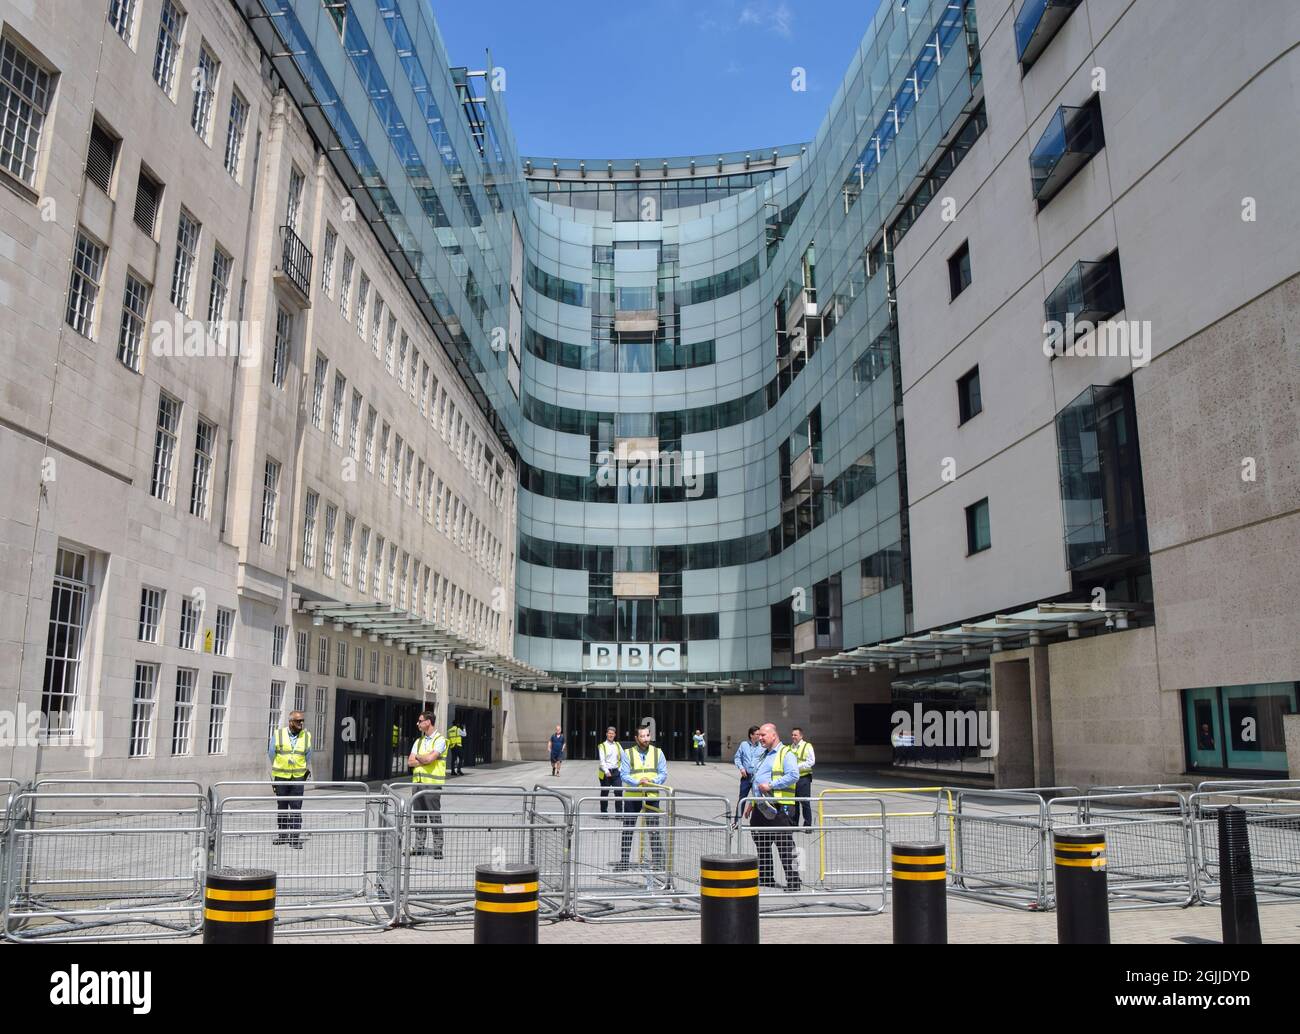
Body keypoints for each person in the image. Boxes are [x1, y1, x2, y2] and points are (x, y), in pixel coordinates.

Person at [744, 722, 801, 891]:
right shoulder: (764, 754)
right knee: (761, 841)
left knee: (784, 844)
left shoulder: (785, 753)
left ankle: (794, 882)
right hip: (762, 805)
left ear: (773, 735)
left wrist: (772, 785)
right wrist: (752, 802)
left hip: (780, 805)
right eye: (759, 735)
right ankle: (767, 877)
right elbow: (756, 780)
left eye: (763, 735)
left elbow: (793, 775)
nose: (759, 738)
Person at [618, 723, 669, 879]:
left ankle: (658, 862)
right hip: (633, 796)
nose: (646, 739)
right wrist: (639, 782)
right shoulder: (628, 753)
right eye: (642, 736)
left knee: (654, 829)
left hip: (651, 796)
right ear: (636, 738)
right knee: (628, 829)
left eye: (647, 735)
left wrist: (651, 780)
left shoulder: (658, 752)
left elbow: (663, 773)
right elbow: (624, 775)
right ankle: (624, 861)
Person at [269, 710, 311, 848]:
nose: (301, 723)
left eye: (302, 721)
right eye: (298, 721)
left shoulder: (306, 736)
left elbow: (308, 755)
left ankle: (294, 839)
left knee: (296, 808)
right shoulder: (278, 734)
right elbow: (271, 754)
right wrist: (281, 765)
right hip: (281, 777)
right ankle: (282, 836)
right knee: (282, 807)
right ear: (290, 722)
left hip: (298, 777)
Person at [407, 711, 447, 858]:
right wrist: (422, 758)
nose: (418, 723)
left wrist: (419, 757)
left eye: (420, 721)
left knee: (434, 817)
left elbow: (430, 759)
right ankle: (419, 846)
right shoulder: (418, 742)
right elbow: (410, 762)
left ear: (428, 722)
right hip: (417, 784)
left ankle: (437, 848)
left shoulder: (440, 740)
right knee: (418, 817)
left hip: (432, 784)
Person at [733, 726, 761, 823]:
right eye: (757, 734)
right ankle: (737, 822)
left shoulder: (762, 746)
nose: (759, 736)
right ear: (751, 735)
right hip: (746, 776)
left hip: (757, 777)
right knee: (742, 799)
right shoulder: (744, 745)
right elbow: (737, 757)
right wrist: (741, 768)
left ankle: (757, 822)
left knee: (757, 798)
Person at [790, 726, 816, 827]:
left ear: (801, 736)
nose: (793, 736)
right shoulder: (790, 747)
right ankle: (794, 824)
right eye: (792, 735)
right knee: (794, 803)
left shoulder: (807, 746)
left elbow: (811, 761)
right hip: (793, 779)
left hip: (804, 778)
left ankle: (808, 824)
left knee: (805, 802)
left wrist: (797, 767)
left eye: (795, 735)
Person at [597, 726, 624, 814]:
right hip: (606, 773)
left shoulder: (617, 745)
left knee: (619, 792)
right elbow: (602, 761)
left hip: (616, 772)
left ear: (615, 735)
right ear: (606, 734)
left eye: (612, 733)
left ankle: (619, 814)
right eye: (609, 733)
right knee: (605, 793)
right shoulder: (602, 746)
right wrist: (606, 771)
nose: (610, 735)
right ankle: (604, 812)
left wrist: (620, 769)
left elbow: (624, 758)